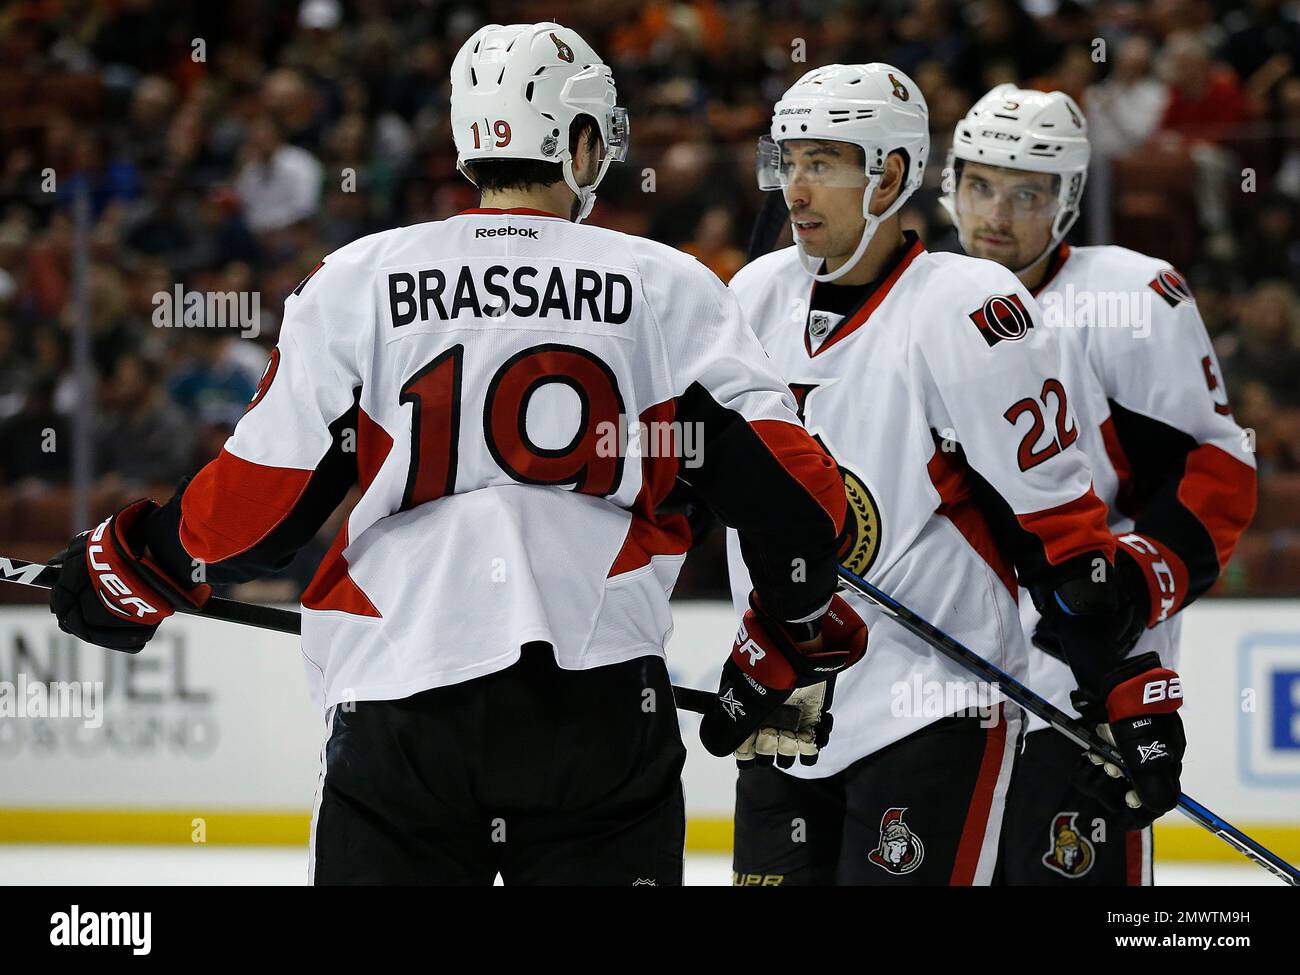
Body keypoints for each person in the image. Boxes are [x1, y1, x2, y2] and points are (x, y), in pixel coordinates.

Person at [46, 22, 868, 886]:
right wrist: (789, 627)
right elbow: (801, 507)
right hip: (599, 705)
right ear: (578, 140)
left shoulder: (359, 277)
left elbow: (254, 517)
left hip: (400, 701)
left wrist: (142, 557)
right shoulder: (667, 284)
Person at [723, 63, 1131, 886]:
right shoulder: (752, 294)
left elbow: (1058, 530)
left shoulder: (967, 306)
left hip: (931, 710)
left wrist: (1121, 682)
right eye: (789, 162)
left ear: (894, 174)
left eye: (824, 163)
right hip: (784, 706)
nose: (796, 189)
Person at [941, 83, 1257, 884]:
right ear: (949, 184)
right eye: (980, 185)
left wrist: (1130, 584)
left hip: (1084, 671)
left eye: (1027, 193)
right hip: (940, 671)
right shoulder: (920, 302)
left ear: (1069, 198)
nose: (997, 214)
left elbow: (1215, 468)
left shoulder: (1130, 298)